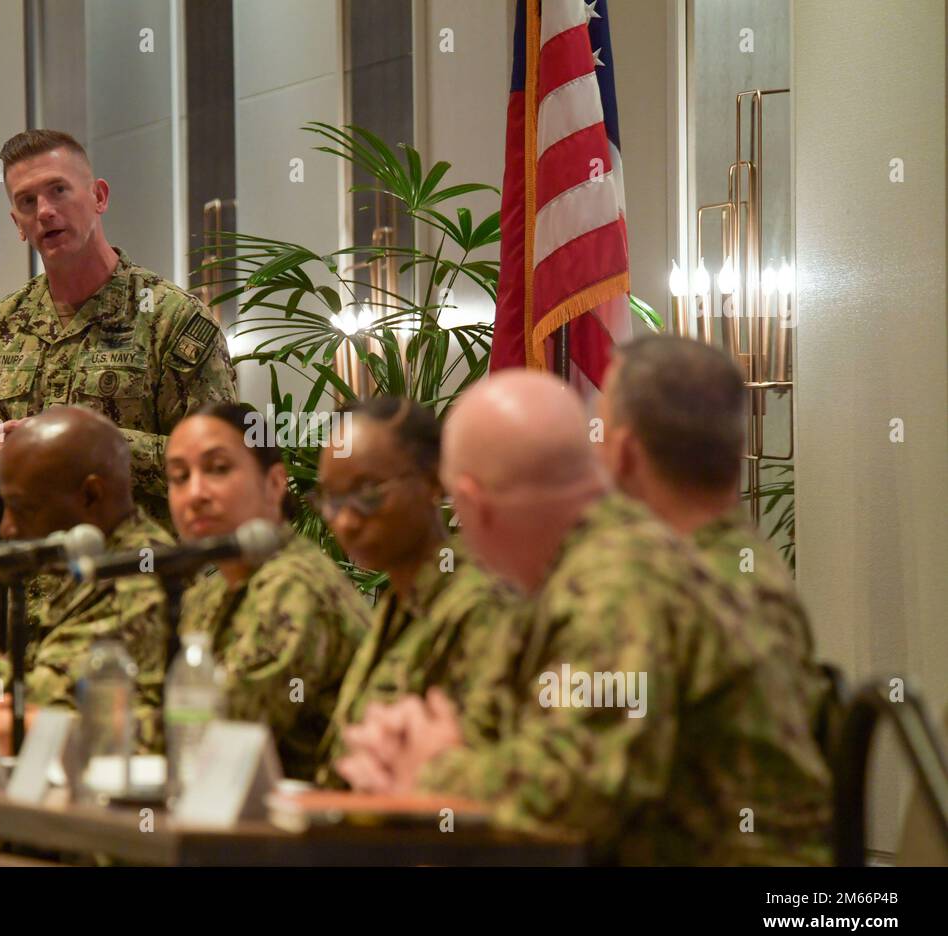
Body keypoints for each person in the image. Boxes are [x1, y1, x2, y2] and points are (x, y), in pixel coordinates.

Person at [337, 370, 827, 865]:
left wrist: (434, 768)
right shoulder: (574, 574)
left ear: (473, 503)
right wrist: (401, 741)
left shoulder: (617, 584)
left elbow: (573, 795)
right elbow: (503, 729)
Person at [0, 129, 238, 523]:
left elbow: (218, 463)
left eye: (58, 190)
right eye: (27, 201)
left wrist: (86, 449)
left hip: (138, 577)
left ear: (99, 196)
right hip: (29, 577)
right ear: (18, 223)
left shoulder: (172, 320)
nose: (44, 211)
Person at [597, 335, 838, 779]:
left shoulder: (658, 592)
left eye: (602, 431)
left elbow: (581, 787)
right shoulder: (750, 567)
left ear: (626, 454)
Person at [312, 397, 526, 787]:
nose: (345, 519)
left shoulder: (481, 604)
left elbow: (486, 770)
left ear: (432, 481)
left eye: (368, 490)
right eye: (331, 498)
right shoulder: (400, 601)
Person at [0, 406, 174, 753]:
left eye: (22, 507)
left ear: (90, 496)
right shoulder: (87, 558)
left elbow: (59, 709)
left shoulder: (137, 572)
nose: (6, 528)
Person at [168, 403, 368, 781]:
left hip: (314, 830)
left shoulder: (294, 583)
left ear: (275, 485)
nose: (194, 494)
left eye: (218, 469)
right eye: (179, 476)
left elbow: (219, 732)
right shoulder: (210, 591)